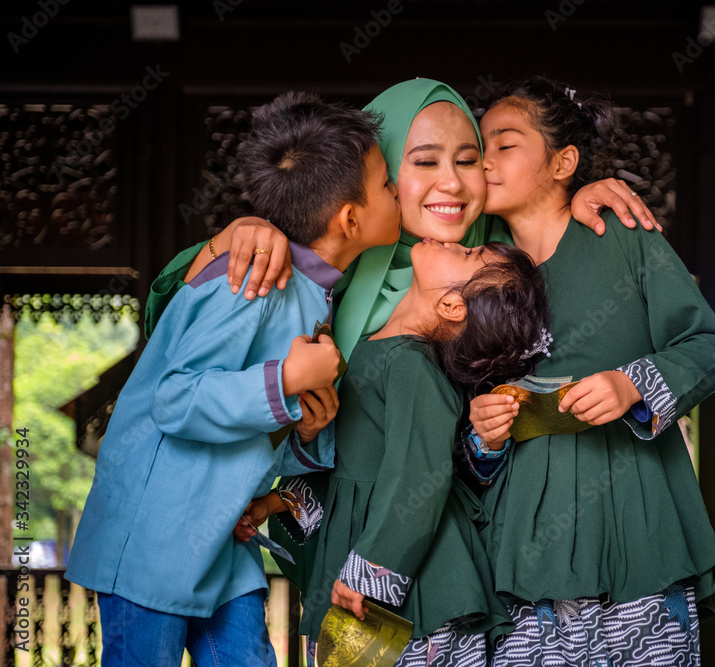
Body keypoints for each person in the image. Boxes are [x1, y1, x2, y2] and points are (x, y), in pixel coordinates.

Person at [65, 91, 401, 667]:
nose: (399, 193)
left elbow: (253, 431)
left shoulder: (317, 292)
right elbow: (176, 399)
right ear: (349, 218)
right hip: (152, 542)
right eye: (390, 187)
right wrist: (288, 378)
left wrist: (307, 430)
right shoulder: (250, 278)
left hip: (223, 544)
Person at [466, 76, 715, 666]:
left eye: (505, 144)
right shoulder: (468, 262)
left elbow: (710, 345)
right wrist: (481, 431)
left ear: (564, 161)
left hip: (637, 523)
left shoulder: (620, 236)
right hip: (521, 543)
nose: (483, 160)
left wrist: (632, 381)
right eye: (477, 146)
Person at [143, 78, 659, 352]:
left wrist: (580, 188)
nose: (453, 183)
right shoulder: (318, 254)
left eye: (468, 159)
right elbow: (176, 341)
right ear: (379, 171)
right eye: (424, 162)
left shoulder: (501, 257)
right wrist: (231, 236)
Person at [241, 240, 550, 667]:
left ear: (451, 306)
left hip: (411, 591)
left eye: (465, 255)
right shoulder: (377, 349)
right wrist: (273, 503)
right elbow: (351, 465)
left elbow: (419, 476)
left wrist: (373, 573)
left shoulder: (413, 367)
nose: (454, 242)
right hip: (358, 568)